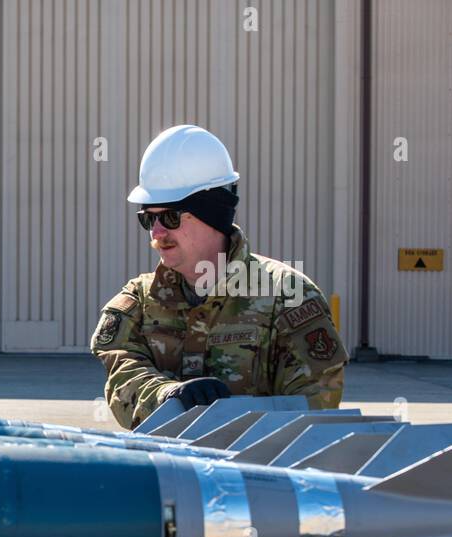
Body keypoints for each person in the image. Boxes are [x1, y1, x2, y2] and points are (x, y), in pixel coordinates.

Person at [91, 124, 346, 429]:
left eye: (170, 217)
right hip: (168, 473)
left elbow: (314, 405)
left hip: (253, 472)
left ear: (212, 215)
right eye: (148, 219)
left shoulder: (288, 296)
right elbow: (123, 376)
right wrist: (166, 395)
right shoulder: (138, 301)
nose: (157, 232)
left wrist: (229, 423)